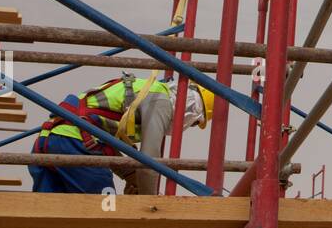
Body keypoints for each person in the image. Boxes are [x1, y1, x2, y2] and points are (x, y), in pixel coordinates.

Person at [29, 73, 213, 195]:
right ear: (192, 108)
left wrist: (130, 176)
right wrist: (150, 203)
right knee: (107, 210)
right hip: (75, 145)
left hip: (50, 140)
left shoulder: (143, 92)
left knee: (48, 216)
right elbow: (149, 159)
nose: (190, 127)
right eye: (196, 123)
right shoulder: (159, 101)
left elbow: (102, 140)